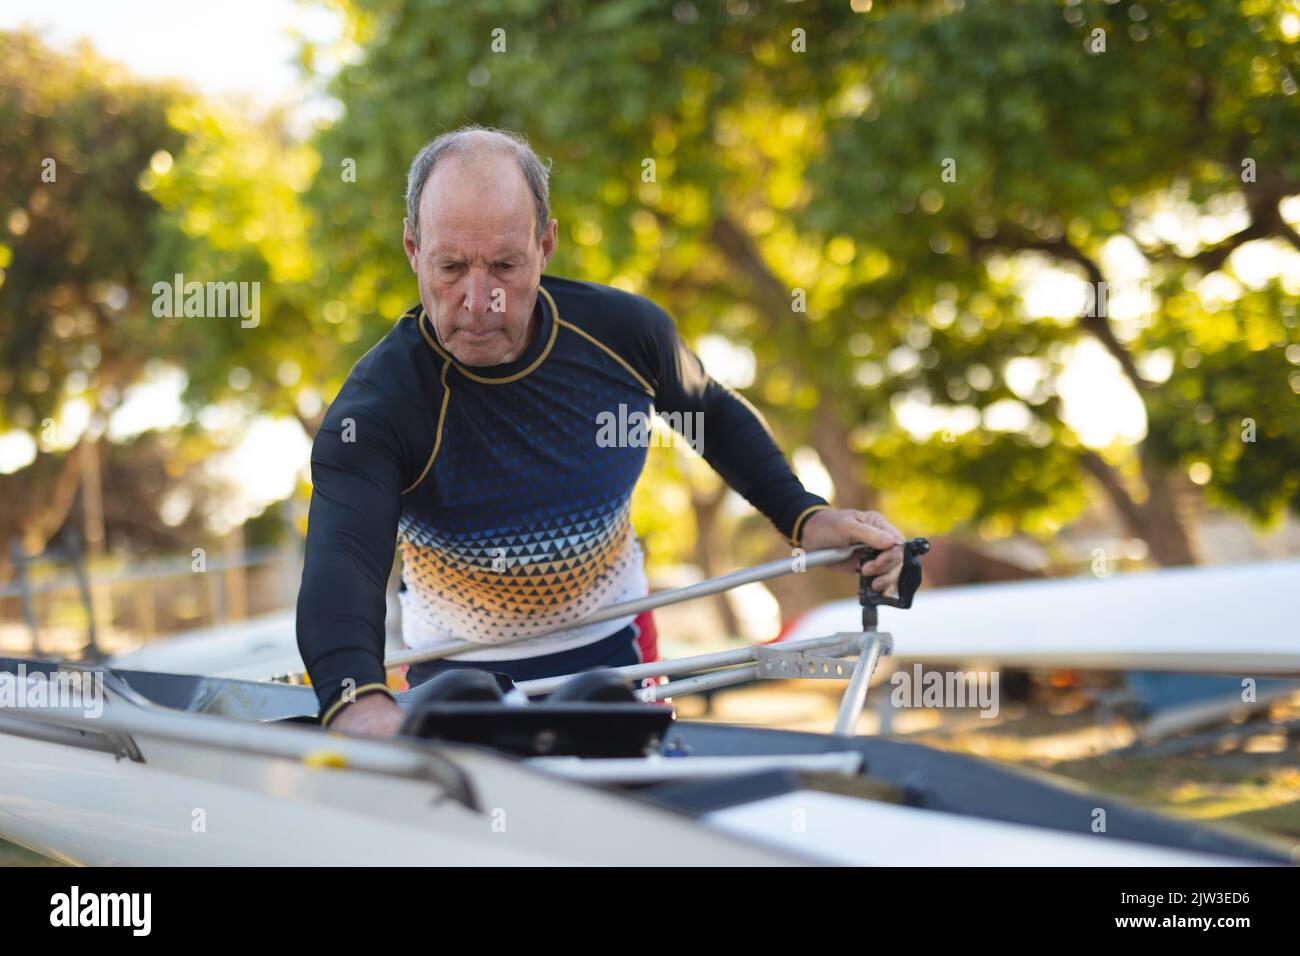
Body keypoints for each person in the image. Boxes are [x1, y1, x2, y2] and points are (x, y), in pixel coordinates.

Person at [296, 126, 905, 737]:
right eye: (450, 267)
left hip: (619, 650)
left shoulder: (625, 334)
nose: (479, 301)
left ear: (546, 245)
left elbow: (711, 416)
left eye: (506, 265)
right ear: (412, 248)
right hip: (454, 672)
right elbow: (343, 559)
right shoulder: (375, 406)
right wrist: (359, 704)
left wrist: (805, 518)